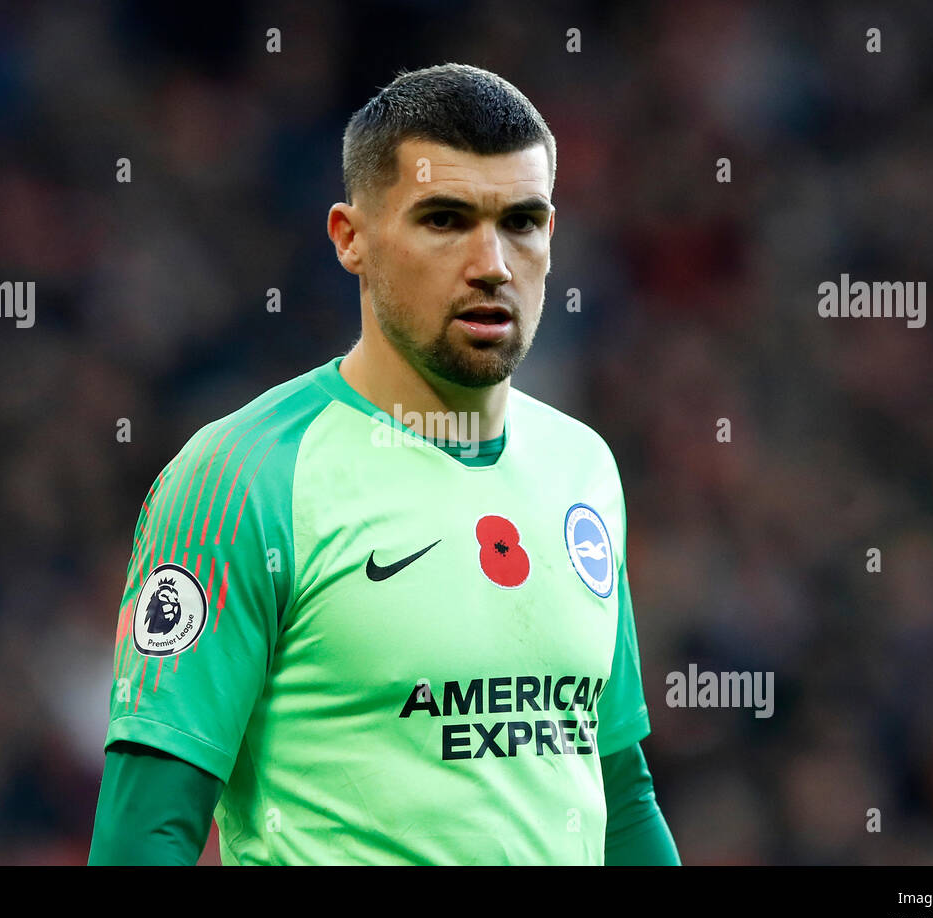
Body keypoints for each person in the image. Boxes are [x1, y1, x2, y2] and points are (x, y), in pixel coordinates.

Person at [88, 62, 680, 865]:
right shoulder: (242, 478)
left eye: (522, 222)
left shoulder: (583, 466)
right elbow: (147, 830)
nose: (492, 265)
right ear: (351, 239)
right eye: (444, 220)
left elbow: (620, 793)